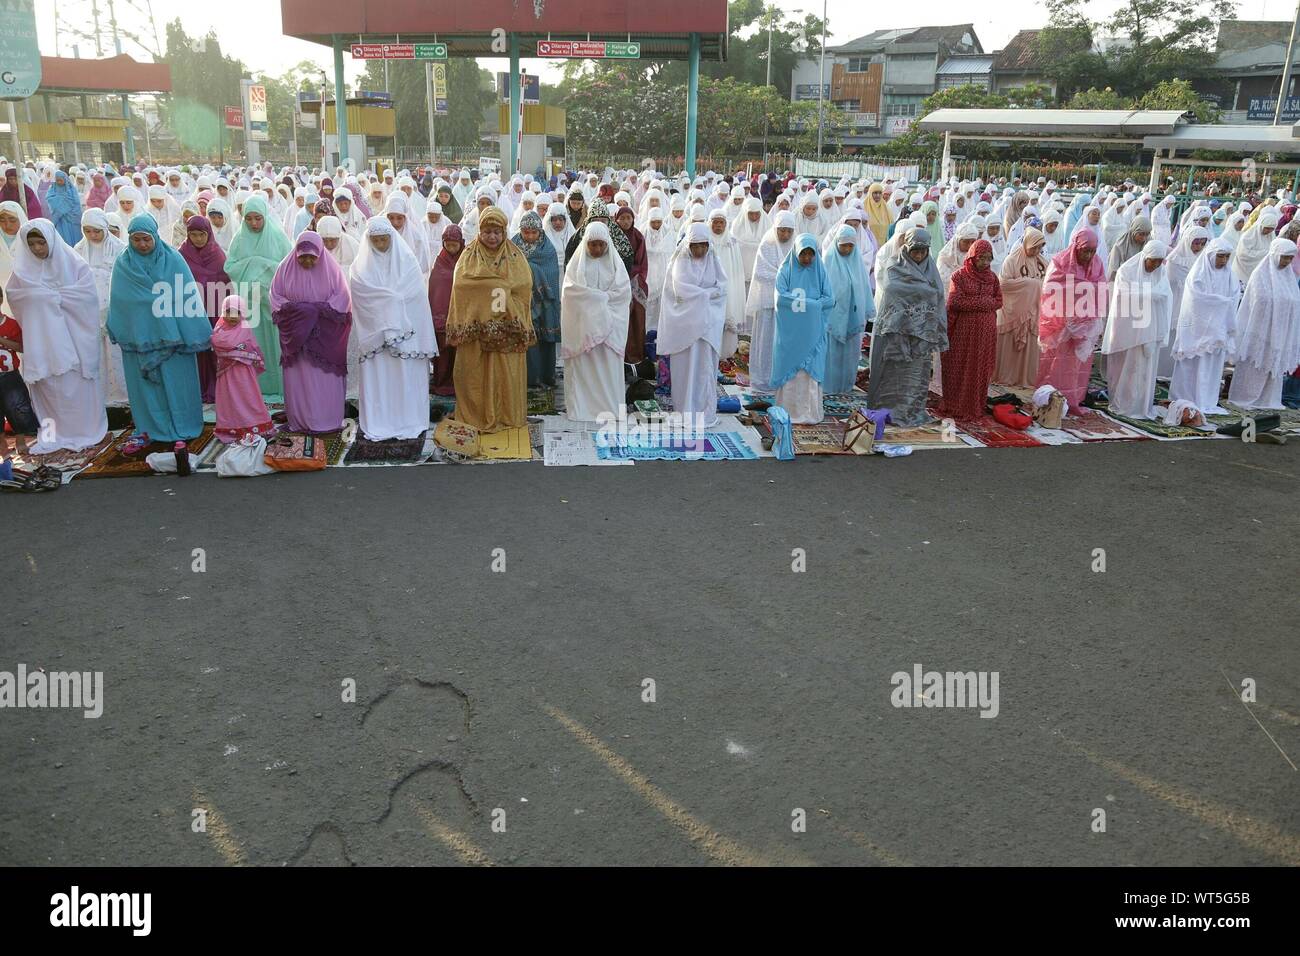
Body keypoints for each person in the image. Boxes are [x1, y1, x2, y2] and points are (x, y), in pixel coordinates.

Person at [108, 215, 211, 447]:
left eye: (146, 239)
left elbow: (187, 296)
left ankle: (184, 426)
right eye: (137, 240)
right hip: (140, 340)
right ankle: (152, 429)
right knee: (148, 391)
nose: (142, 245)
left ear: (155, 236)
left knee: (178, 386)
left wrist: (156, 304)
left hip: (175, 342)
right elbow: (121, 300)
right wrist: (152, 303)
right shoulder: (123, 265)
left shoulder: (173, 259)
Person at [4, 219, 107, 453]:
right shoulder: (20, 275)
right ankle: (52, 434)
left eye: (42, 242)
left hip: (74, 342)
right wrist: (44, 298)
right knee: (48, 394)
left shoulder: (74, 265)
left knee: (76, 391)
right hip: (43, 345)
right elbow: (18, 299)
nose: (38, 249)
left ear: (51, 240)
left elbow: (86, 298)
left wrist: (53, 297)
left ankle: (86, 432)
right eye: (32, 245)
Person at [445, 207, 534, 432]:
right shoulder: (468, 256)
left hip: (506, 330)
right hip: (476, 331)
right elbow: (461, 285)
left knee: (505, 376)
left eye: (497, 232)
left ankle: (506, 416)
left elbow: (523, 287)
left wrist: (494, 287)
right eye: (487, 232)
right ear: (479, 232)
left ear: (504, 232)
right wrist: (496, 285)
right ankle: (475, 415)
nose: (492, 237)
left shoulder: (516, 257)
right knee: (475, 376)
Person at [347, 217, 437, 440]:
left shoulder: (407, 261)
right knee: (381, 381)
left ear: (392, 238)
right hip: (375, 336)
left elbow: (415, 293)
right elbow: (360, 293)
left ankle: (410, 420)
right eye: (375, 240)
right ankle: (382, 420)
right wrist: (391, 300)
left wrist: (389, 301)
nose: (380, 244)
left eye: (384, 239)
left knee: (405, 378)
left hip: (407, 338)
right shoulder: (360, 267)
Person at [270, 232, 352, 433]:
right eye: (303, 256)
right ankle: (300, 421)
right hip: (296, 341)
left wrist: (316, 312)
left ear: (320, 254)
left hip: (324, 337)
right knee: (300, 382)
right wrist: (300, 312)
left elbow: (343, 300)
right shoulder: (284, 269)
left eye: (312, 257)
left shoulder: (332, 270)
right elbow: (275, 296)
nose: (307, 261)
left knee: (324, 380)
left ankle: (327, 420)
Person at [866, 229, 947, 426]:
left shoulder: (931, 270)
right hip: (895, 335)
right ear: (907, 249)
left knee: (915, 374)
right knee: (893, 373)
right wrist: (923, 292)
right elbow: (893, 290)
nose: (919, 256)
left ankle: (910, 409)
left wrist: (922, 294)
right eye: (915, 251)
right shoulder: (895, 265)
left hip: (921, 336)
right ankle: (887, 410)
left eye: (922, 252)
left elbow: (937, 295)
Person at [657, 221, 727, 429]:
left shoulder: (714, 261)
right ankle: (685, 412)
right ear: (688, 245)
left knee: (705, 370)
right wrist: (705, 295)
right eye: (695, 246)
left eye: (703, 245)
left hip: (708, 328)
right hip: (685, 327)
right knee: (685, 372)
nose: (699, 250)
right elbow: (678, 290)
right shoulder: (679, 262)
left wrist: (703, 297)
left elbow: (722, 288)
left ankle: (705, 414)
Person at [561, 222, 632, 422]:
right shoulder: (576, 265)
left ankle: (609, 409)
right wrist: (598, 300)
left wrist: (599, 300)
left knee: (608, 369)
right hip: (585, 328)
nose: (597, 249)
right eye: (593, 245)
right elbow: (570, 292)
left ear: (607, 244)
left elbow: (623, 292)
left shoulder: (615, 264)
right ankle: (583, 410)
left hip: (610, 329)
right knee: (584, 370)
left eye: (601, 245)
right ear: (586, 244)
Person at [1034, 230, 1108, 409]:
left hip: (1084, 325)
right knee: (1056, 363)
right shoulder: (1060, 262)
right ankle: (1049, 399)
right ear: (1076, 247)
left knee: (1076, 365)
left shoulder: (1097, 264)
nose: (1088, 255)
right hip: (1062, 324)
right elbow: (1050, 290)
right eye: (1085, 251)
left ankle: (1072, 400)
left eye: (1092, 251)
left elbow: (1101, 289)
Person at [769, 233, 835, 424]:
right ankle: (787, 412)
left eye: (810, 254)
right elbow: (781, 298)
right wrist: (812, 304)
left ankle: (809, 413)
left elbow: (830, 299)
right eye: (803, 254)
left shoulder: (819, 270)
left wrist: (809, 307)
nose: (807, 259)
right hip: (791, 332)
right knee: (792, 373)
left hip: (813, 332)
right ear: (796, 253)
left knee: (809, 373)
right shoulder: (786, 270)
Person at [1228, 237, 1300, 409]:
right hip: (1259, 331)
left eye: (1290, 258)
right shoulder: (1260, 275)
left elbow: (1294, 301)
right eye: (1284, 257)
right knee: (1253, 367)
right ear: (1275, 255)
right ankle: (1244, 398)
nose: (1287, 262)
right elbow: (1258, 301)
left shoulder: (1289, 278)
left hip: (1280, 332)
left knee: (1272, 370)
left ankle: (1268, 400)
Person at [1101, 240, 1171, 419]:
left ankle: (1141, 405)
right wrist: (1149, 295)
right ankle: (1124, 403)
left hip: (1151, 326)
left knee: (1145, 369)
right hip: (1129, 328)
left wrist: (1153, 296)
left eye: (1159, 261)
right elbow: (1123, 295)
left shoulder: (1160, 272)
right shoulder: (1127, 270)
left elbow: (1165, 294)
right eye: (1152, 261)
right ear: (1145, 257)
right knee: (1128, 366)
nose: (1155, 265)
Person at [938, 238, 1002, 421]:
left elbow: (998, 301)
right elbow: (955, 302)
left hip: (985, 334)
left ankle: (975, 405)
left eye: (988, 259)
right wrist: (983, 303)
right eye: (981, 258)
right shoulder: (959, 276)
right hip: (964, 333)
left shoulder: (992, 278)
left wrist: (981, 303)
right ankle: (956, 404)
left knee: (979, 368)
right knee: (962, 366)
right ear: (973, 257)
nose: (985, 263)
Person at [1170, 237, 1236, 414]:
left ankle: (1206, 400)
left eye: (1226, 257)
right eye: (1220, 256)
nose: (1223, 260)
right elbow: (1196, 300)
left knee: (1211, 367)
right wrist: (1222, 303)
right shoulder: (1198, 273)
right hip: (1196, 329)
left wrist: (1222, 305)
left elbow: (1234, 296)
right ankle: (1184, 397)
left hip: (1217, 330)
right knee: (1193, 364)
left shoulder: (1229, 275)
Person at [178, 216, 231, 405]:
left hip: (215, 308)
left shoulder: (218, 254)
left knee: (214, 348)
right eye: (193, 235)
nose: (198, 239)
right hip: (192, 308)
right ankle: (199, 387)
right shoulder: (182, 254)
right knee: (196, 348)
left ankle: (219, 387)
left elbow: (226, 285)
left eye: (202, 234)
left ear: (208, 234)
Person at [211, 294, 273, 443]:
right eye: (228, 312)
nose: (232, 317)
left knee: (248, 398)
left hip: (243, 374)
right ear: (222, 311)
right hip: (226, 375)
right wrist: (235, 349)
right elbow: (217, 344)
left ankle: (254, 424)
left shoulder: (245, 329)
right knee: (228, 399)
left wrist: (232, 350)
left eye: (237, 312)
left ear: (243, 313)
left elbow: (251, 348)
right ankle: (231, 427)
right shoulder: (218, 330)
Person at [746, 210, 796, 391]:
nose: (785, 235)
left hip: (787, 304)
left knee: (783, 342)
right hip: (768, 301)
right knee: (766, 341)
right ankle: (763, 379)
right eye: (782, 230)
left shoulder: (795, 247)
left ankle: (781, 378)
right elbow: (761, 272)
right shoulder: (767, 244)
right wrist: (784, 279)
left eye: (789, 231)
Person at [821, 224, 872, 393]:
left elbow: (864, 288)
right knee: (831, 353)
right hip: (832, 317)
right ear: (836, 243)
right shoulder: (828, 260)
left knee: (849, 354)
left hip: (853, 315)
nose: (847, 249)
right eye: (844, 245)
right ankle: (829, 385)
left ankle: (846, 385)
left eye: (851, 245)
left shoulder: (857, 263)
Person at [512, 211, 561, 389]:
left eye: (534, 232)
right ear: (521, 231)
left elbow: (552, 274)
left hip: (543, 304)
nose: (530, 236)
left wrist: (530, 269)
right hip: (519, 301)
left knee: (541, 341)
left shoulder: (547, 250)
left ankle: (544, 377)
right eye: (526, 232)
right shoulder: (512, 247)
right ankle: (524, 379)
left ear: (540, 232)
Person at [995, 227, 1047, 388]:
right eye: (1034, 247)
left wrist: (1037, 287)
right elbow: (1003, 284)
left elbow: (1048, 282)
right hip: (1014, 312)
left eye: (1039, 248)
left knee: (1031, 348)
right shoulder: (1012, 260)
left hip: (1034, 313)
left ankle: (1025, 378)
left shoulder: (1041, 262)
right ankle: (1008, 377)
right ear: (1026, 244)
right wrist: (1030, 285)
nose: (1036, 251)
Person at [427, 224, 463, 397]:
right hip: (441, 314)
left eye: (454, 245)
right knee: (443, 351)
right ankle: (442, 382)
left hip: (461, 314)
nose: (451, 248)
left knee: (459, 351)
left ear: (461, 243)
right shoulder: (439, 261)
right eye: (447, 245)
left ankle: (458, 383)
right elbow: (434, 289)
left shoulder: (466, 260)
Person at [613, 205, 649, 365]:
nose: (626, 221)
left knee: (636, 319)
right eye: (623, 218)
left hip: (635, 283)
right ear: (616, 220)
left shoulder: (638, 237)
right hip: (616, 284)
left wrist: (633, 277)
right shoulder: (612, 237)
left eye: (629, 218)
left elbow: (642, 263)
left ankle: (635, 357)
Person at [44, 169, 83, 248]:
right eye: (57, 180)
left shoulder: (71, 190)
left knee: (75, 237)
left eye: (61, 180)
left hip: (71, 219)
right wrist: (61, 201)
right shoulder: (53, 188)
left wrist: (67, 209)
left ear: (65, 180)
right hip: (60, 220)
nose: (59, 182)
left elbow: (76, 203)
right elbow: (49, 199)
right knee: (63, 239)